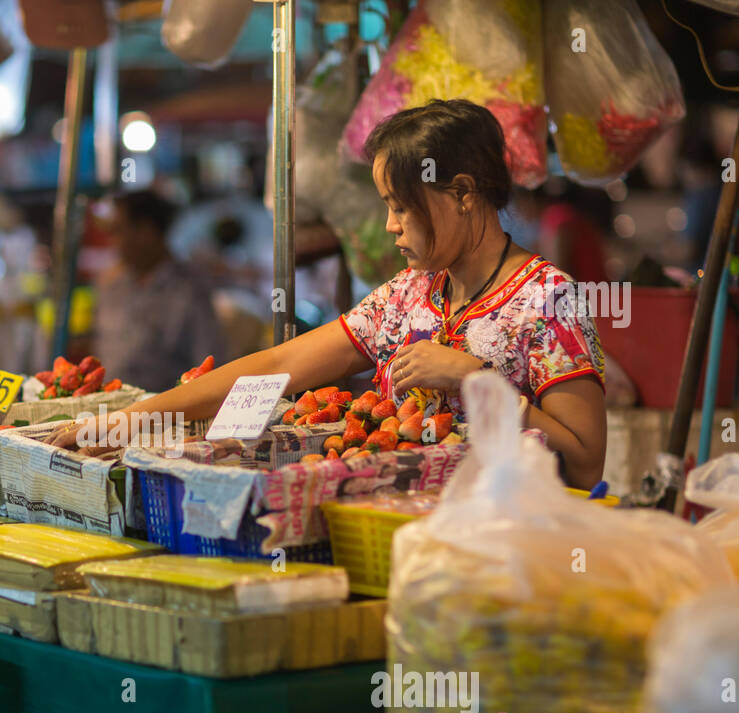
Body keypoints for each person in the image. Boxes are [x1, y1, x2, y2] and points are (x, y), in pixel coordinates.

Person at [55, 100, 607, 489]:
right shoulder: (407, 296)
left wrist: (475, 380)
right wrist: (132, 419)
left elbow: (585, 463)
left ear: (461, 193)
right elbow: (280, 364)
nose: (391, 226)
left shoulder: (547, 300)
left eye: (400, 205)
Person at [87, 190, 230, 393]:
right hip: (109, 409)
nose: (113, 242)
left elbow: (211, 365)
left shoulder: (189, 289)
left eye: (119, 231)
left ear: (146, 231)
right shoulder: (111, 285)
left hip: (166, 415)